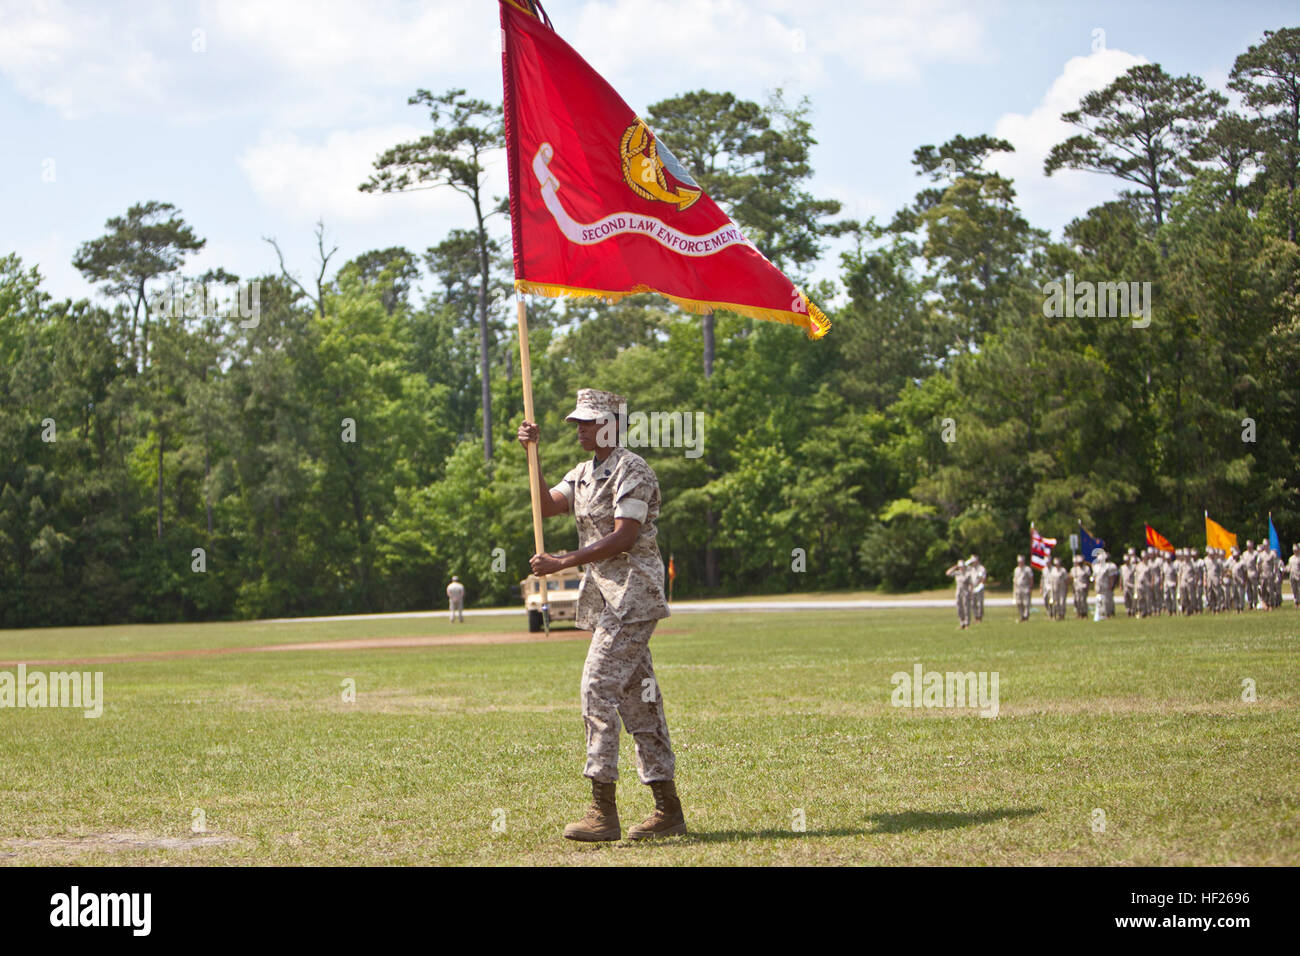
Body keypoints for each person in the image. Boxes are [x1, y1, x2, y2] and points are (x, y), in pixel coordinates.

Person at [517, 388, 684, 842]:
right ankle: (668, 809)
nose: (580, 429)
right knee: (638, 700)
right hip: (606, 597)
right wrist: (531, 453)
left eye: (588, 423)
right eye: (577, 423)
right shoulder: (584, 473)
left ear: (612, 424)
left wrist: (562, 561)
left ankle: (602, 810)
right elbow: (546, 504)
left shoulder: (633, 470)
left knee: (596, 687)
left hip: (634, 595)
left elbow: (623, 537)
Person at [945, 558, 972, 629]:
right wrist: (955, 567)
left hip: (966, 592)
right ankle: (962, 623)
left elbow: (971, 584)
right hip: (958, 592)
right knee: (959, 608)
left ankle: (967, 624)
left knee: (966, 608)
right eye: (960, 566)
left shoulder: (968, 573)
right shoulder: (957, 573)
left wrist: (971, 593)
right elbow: (947, 573)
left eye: (962, 566)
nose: (961, 568)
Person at [1094, 550, 1117, 619]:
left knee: (1107, 600)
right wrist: (1095, 586)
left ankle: (1108, 613)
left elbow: (1111, 577)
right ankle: (1101, 614)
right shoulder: (1096, 567)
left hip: (1106, 585)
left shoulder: (1108, 566)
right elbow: (1095, 577)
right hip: (1099, 586)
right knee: (1099, 600)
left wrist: (1111, 585)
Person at [1012, 555, 1034, 623]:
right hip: (1018, 589)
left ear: (1024, 562)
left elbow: (1031, 579)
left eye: (1021, 562)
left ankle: (1026, 616)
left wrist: (1030, 587)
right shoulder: (1016, 570)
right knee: (1019, 603)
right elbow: (1015, 580)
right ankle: (1021, 616)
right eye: (1019, 562)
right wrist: (1014, 589)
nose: (1020, 563)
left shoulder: (1027, 569)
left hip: (1025, 588)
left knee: (1026, 603)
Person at [1070, 554, 1091, 619]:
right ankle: (1078, 613)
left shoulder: (1086, 568)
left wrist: (1087, 587)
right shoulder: (1074, 569)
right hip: (1076, 587)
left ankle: (1084, 613)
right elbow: (1072, 579)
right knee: (1077, 600)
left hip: (1083, 586)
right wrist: (1072, 588)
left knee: (1083, 601)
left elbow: (1088, 578)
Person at [969, 555, 987, 623]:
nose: (973, 563)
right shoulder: (971, 569)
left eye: (974, 561)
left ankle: (980, 617)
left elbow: (983, 578)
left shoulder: (981, 568)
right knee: (973, 604)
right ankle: (976, 617)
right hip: (972, 588)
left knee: (980, 603)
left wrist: (979, 587)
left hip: (979, 588)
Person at [1121, 550, 1137, 617]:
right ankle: (1128, 610)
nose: (1126, 562)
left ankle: (1133, 611)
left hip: (1131, 585)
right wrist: (1120, 585)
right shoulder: (1122, 567)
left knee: (1132, 599)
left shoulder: (1133, 567)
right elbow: (1121, 577)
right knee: (1126, 599)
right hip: (1125, 585)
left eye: (1127, 560)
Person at [1287, 544, 1300, 609]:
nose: (1295, 551)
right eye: (1294, 550)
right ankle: (1296, 602)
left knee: (1299, 589)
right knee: (1294, 589)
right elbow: (1289, 567)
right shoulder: (1291, 558)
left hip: (1299, 575)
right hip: (1292, 576)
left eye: (1296, 550)